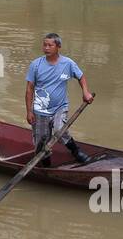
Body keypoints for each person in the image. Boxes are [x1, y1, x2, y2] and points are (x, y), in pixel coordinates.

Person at [24, 34, 94, 167]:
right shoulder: (36, 65)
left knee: (59, 129)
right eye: (44, 45)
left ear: (58, 47)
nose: (46, 48)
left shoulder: (68, 63)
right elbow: (29, 89)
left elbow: (81, 76)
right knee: (41, 143)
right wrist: (29, 112)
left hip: (60, 107)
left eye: (50, 45)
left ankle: (76, 151)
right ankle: (47, 167)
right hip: (40, 110)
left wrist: (85, 92)